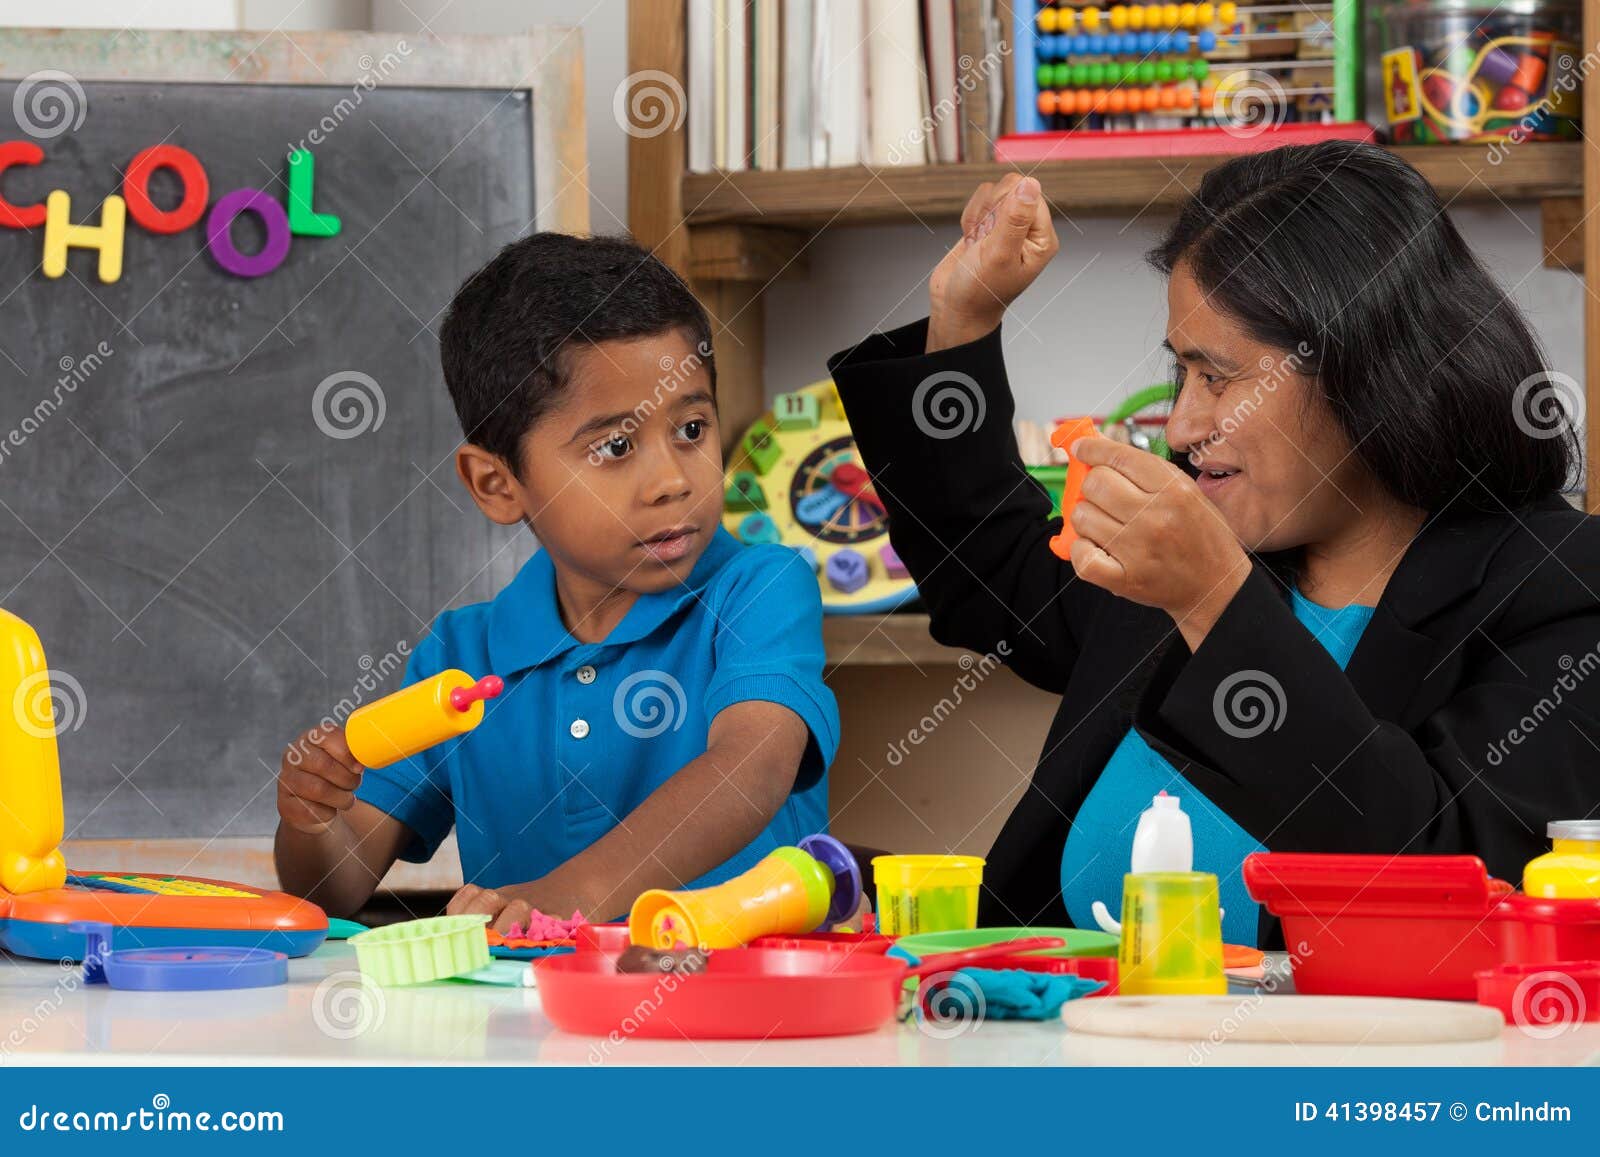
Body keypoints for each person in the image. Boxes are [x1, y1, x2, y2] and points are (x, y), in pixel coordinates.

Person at [829, 141, 1598, 946]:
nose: (1187, 424)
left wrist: (1214, 602)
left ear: (1370, 371)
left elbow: (1443, 885)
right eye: (1181, 372)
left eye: (1218, 377)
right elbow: (990, 578)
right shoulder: (1213, 541)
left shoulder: (1563, 590)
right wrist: (963, 322)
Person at [274, 233, 839, 931]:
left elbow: (750, 767)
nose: (672, 481)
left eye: (691, 427)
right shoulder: (464, 656)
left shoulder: (757, 589)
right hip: (534, 1026)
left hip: (742, 1018)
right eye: (616, 447)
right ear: (497, 483)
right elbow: (335, 882)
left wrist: (571, 894)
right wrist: (311, 819)